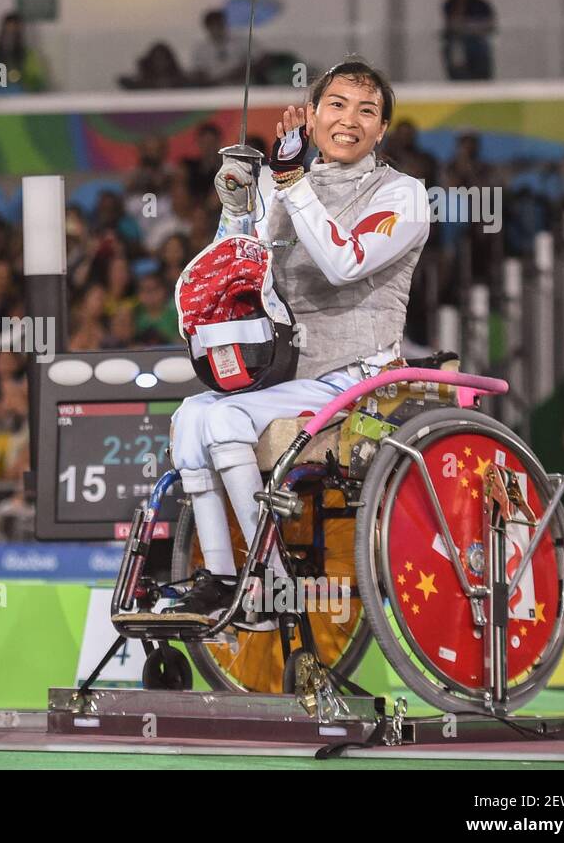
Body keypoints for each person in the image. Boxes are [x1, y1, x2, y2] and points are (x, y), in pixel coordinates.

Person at [170, 59, 430, 616]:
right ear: (310, 117)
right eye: (336, 105)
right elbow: (240, 267)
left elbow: (343, 261)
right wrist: (238, 207)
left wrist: (288, 183)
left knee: (222, 420)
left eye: (367, 111)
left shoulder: (403, 195)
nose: (350, 120)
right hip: (289, 372)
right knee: (190, 416)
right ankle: (220, 576)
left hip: (359, 376)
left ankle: (269, 579)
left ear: (382, 130)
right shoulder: (290, 184)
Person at [441, 0, 496, 81]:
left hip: (478, 51)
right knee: (454, 48)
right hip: (458, 53)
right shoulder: (449, 5)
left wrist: (470, 28)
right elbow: (451, 26)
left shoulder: (481, 4)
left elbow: (489, 26)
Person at [0, 12, 47, 93]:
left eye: (14, 31)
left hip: (21, 95)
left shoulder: (27, 54)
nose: (10, 33)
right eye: (8, 30)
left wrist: (25, 84)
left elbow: (37, 79)